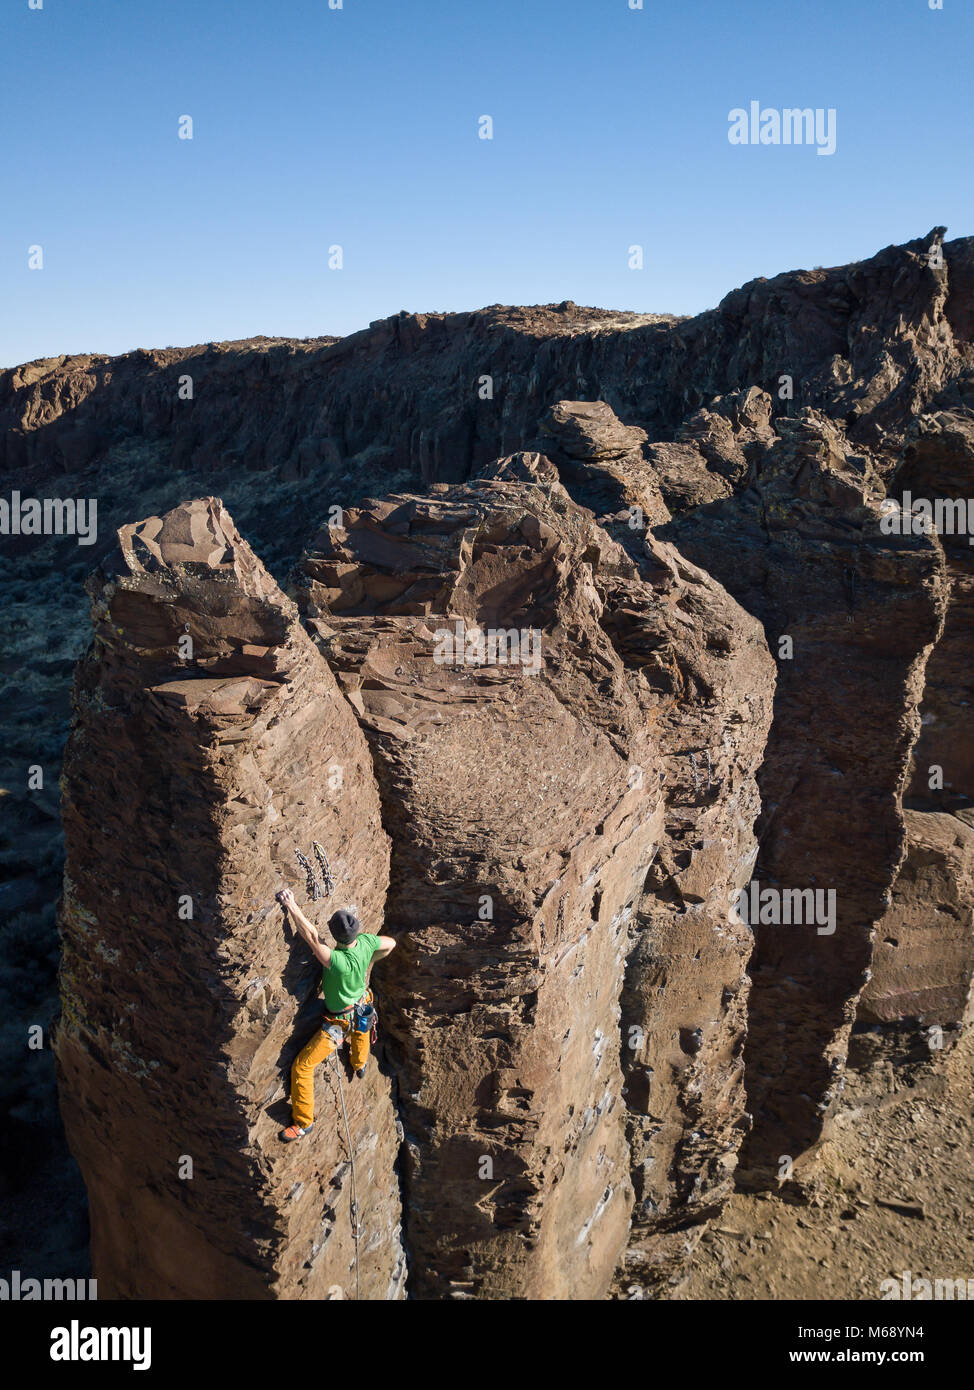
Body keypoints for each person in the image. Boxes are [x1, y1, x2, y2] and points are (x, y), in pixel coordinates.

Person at [276, 889, 396, 1143]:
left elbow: (310, 936)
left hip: (339, 1021)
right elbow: (391, 944)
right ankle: (360, 1064)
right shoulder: (366, 943)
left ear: (335, 934)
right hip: (362, 1004)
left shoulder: (337, 961)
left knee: (303, 1067)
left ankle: (304, 1123)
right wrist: (370, 960)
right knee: (362, 1031)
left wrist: (291, 904)